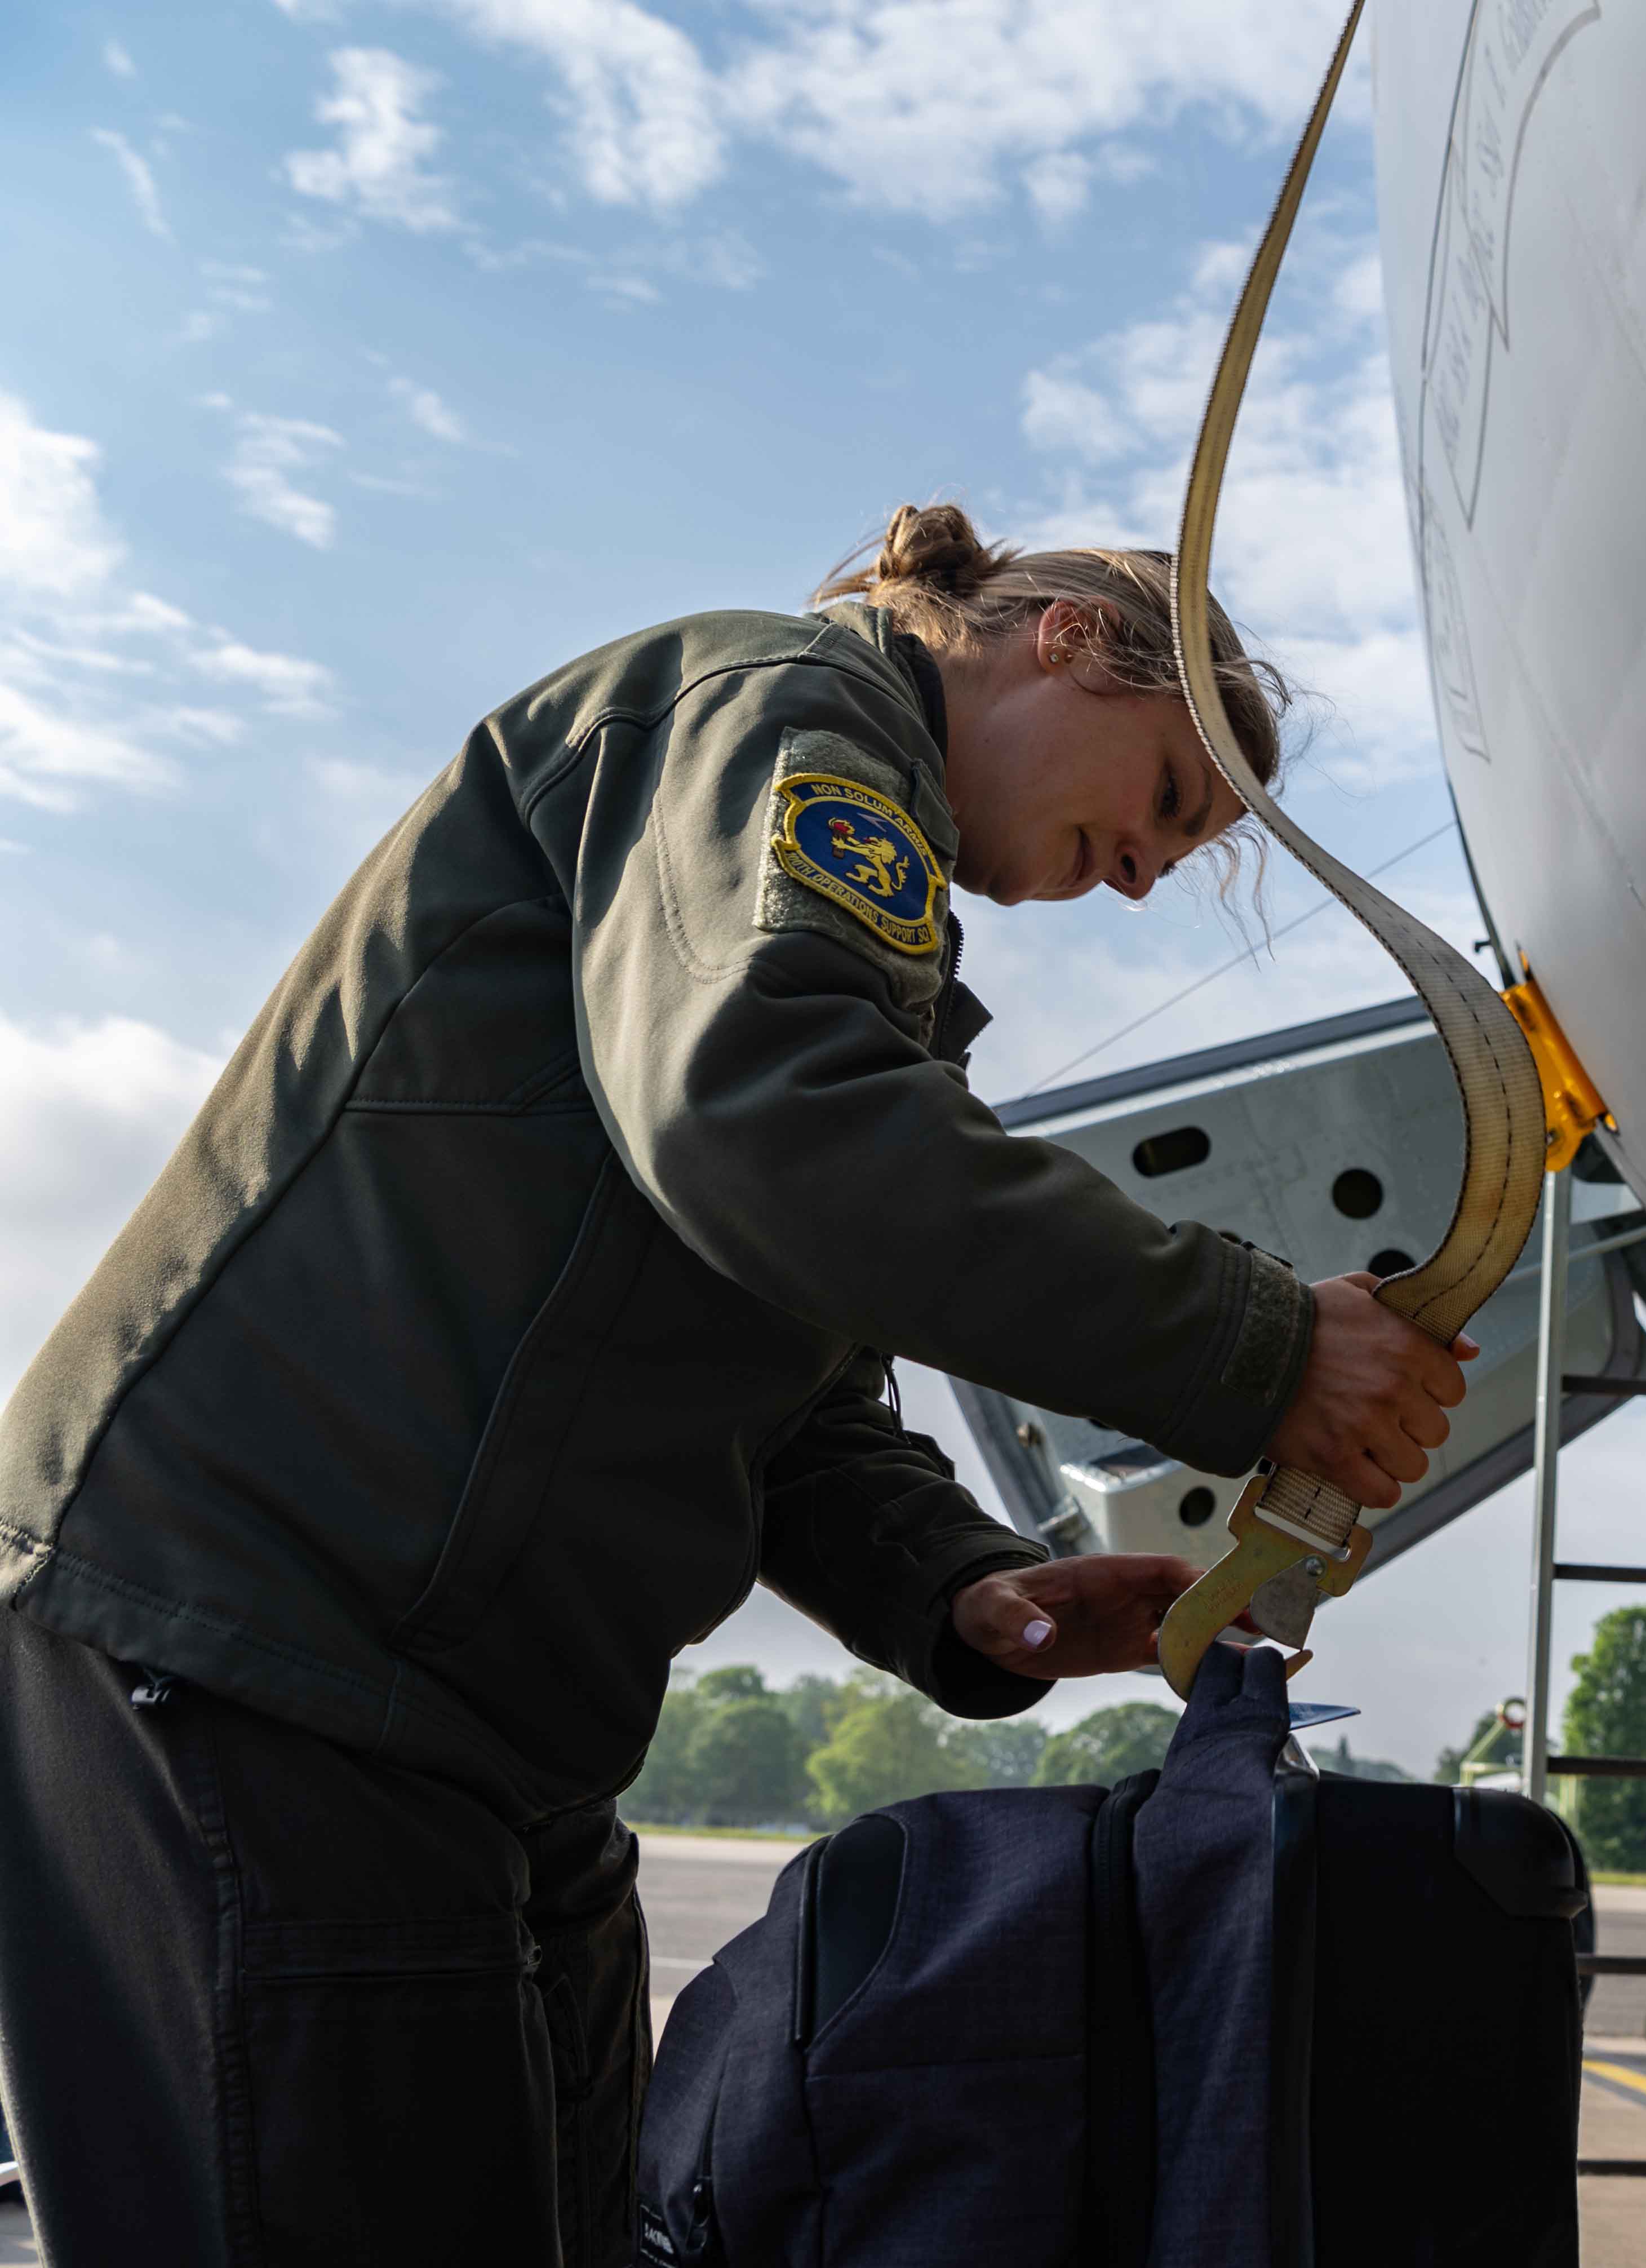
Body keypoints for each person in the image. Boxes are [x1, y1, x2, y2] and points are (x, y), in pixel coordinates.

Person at [0, 504, 1472, 2266]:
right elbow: (766, 1121)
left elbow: (797, 1393)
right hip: (264, 1655)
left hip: (470, 1730)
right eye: (1167, 800)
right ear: (1069, 635)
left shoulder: (867, 963)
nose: (1147, 876)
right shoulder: (780, 710)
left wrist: (967, 1586)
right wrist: (1263, 1348)